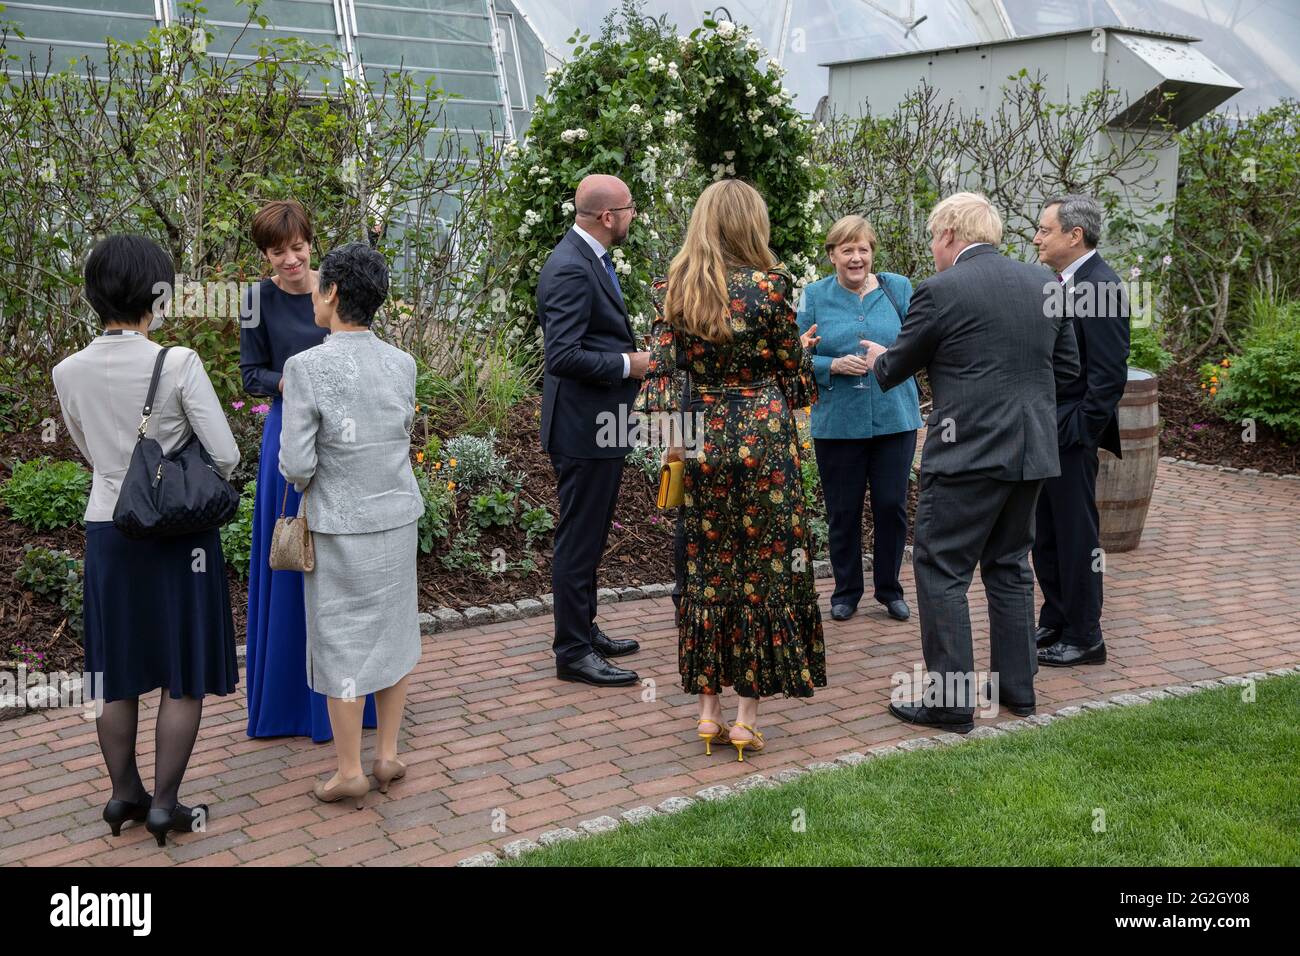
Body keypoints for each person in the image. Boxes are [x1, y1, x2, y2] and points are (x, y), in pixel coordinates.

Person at [860, 192, 1080, 731]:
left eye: (935, 236)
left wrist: (877, 358)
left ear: (952, 235)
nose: (933, 247)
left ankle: (952, 704)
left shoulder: (940, 291)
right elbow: (1069, 368)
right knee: (1009, 567)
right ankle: (1018, 692)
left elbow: (896, 369)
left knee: (941, 571)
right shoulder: (1044, 282)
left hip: (966, 458)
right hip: (1030, 454)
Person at [53, 234, 240, 846]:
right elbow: (228, 456)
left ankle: (122, 795)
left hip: (109, 525)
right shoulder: (179, 362)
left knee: (116, 670)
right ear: (155, 295)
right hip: (179, 533)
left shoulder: (67, 371)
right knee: (181, 668)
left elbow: (91, 453)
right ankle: (164, 804)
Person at [638, 179, 825, 760]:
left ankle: (707, 711)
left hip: (701, 438)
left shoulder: (676, 287)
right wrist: (798, 350)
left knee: (707, 568)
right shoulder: (771, 287)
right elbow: (796, 379)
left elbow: (663, 379)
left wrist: (675, 447)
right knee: (765, 568)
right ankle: (746, 717)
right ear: (752, 223)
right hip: (763, 439)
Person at [278, 241, 424, 808]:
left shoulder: (305, 367)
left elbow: (296, 465)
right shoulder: (402, 362)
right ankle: (387, 754)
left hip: (339, 524)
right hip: (396, 516)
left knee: (341, 643)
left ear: (333, 292)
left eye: (319, 285)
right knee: (394, 635)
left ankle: (348, 770)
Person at [239, 200, 378, 742]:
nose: (291, 260)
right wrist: (300, 382)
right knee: (295, 556)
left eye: (298, 248)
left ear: (310, 243)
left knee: (342, 560)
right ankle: (290, 705)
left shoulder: (338, 287)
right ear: (266, 254)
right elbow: (251, 375)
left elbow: (363, 352)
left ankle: (352, 700)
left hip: (344, 435)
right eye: (278, 252)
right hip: (290, 437)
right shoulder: (256, 301)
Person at [537, 174, 646, 687]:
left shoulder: (590, 259)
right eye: (629, 208)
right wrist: (631, 364)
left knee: (593, 534)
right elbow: (561, 356)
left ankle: (585, 627)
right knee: (579, 539)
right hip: (584, 427)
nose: (633, 216)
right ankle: (573, 652)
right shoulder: (571, 268)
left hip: (604, 422)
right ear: (607, 217)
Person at [797, 215, 922, 623]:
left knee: (891, 505)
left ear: (873, 253)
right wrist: (830, 365)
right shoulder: (814, 295)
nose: (856, 258)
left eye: (863, 249)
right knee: (843, 510)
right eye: (846, 250)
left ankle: (890, 589)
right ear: (832, 255)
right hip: (838, 422)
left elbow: (918, 345)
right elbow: (794, 356)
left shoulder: (897, 288)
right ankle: (846, 591)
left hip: (894, 418)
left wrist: (884, 359)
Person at [1031, 194, 1130, 667]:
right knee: (1045, 531)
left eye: (1045, 230)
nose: (1036, 238)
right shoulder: (1062, 281)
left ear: (1075, 235)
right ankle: (1055, 619)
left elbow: (1109, 375)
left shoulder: (1102, 286)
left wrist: (1079, 431)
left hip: (1071, 433)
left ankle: (1087, 636)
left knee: (1076, 536)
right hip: (1047, 429)